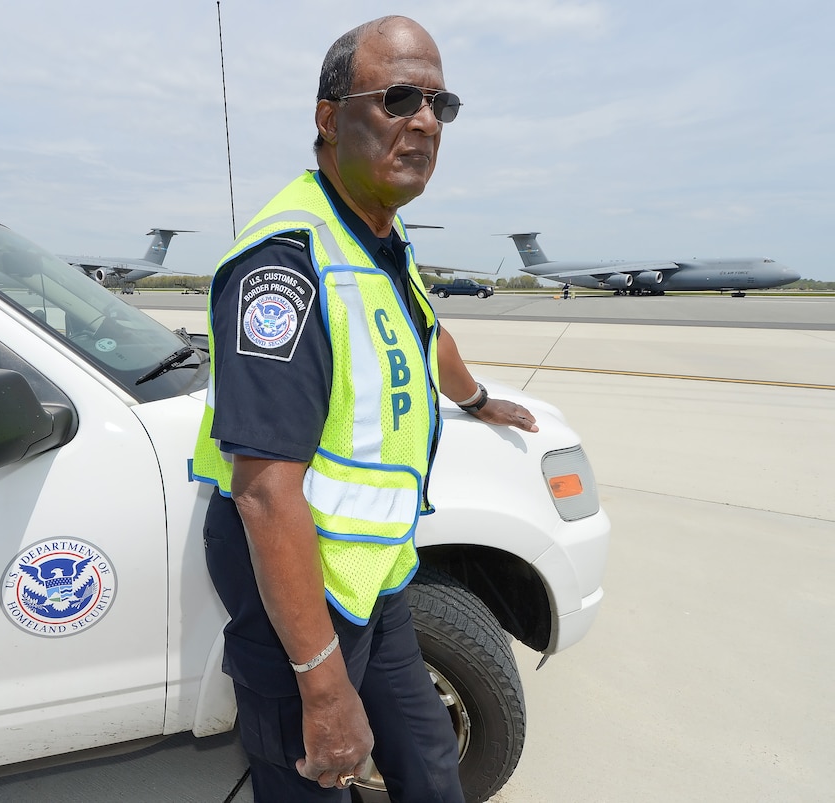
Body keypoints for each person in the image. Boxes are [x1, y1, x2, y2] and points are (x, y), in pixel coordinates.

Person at [191, 16, 538, 802]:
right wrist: (322, 688)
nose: (425, 121)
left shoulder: (379, 234)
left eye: (441, 104)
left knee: (430, 762)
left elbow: (422, 330)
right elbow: (263, 491)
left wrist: (479, 399)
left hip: (371, 576)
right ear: (328, 117)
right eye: (399, 99)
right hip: (296, 594)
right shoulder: (287, 263)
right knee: (315, 779)